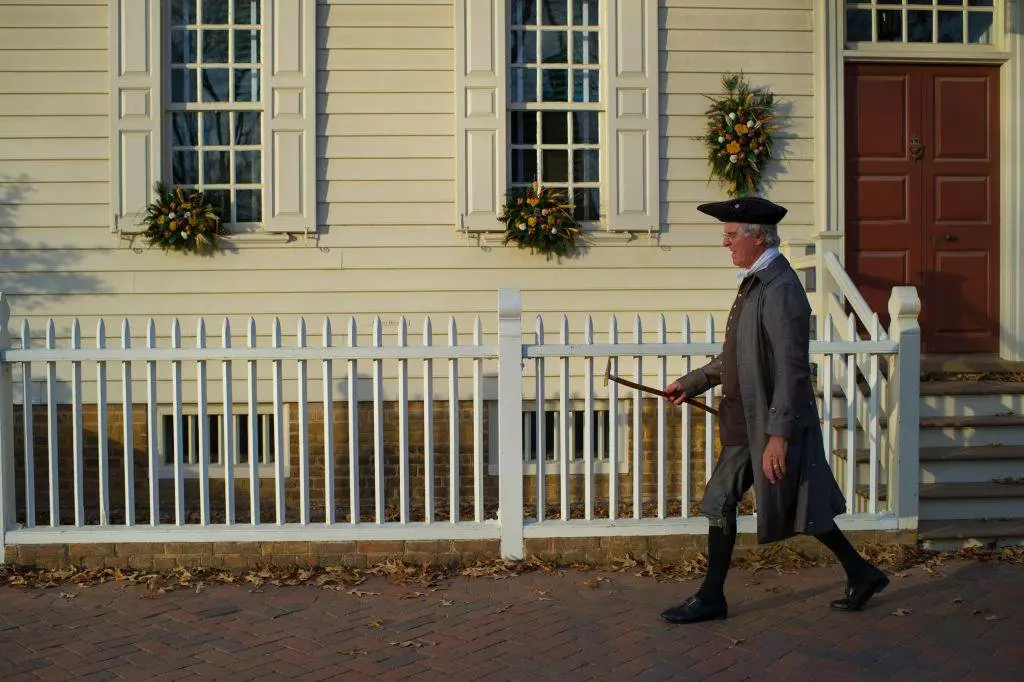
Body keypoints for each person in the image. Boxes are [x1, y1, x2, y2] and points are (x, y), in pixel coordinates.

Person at [660, 196, 889, 624]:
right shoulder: (757, 282)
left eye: (730, 237)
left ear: (757, 237)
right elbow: (737, 357)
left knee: (726, 500)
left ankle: (712, 597)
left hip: (766, 425)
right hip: (749, 421)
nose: (725, 244)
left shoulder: (780, 290)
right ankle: (861, 572)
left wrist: (778, 436)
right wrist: (690, 384)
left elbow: (792, 369)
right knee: (799, 506)